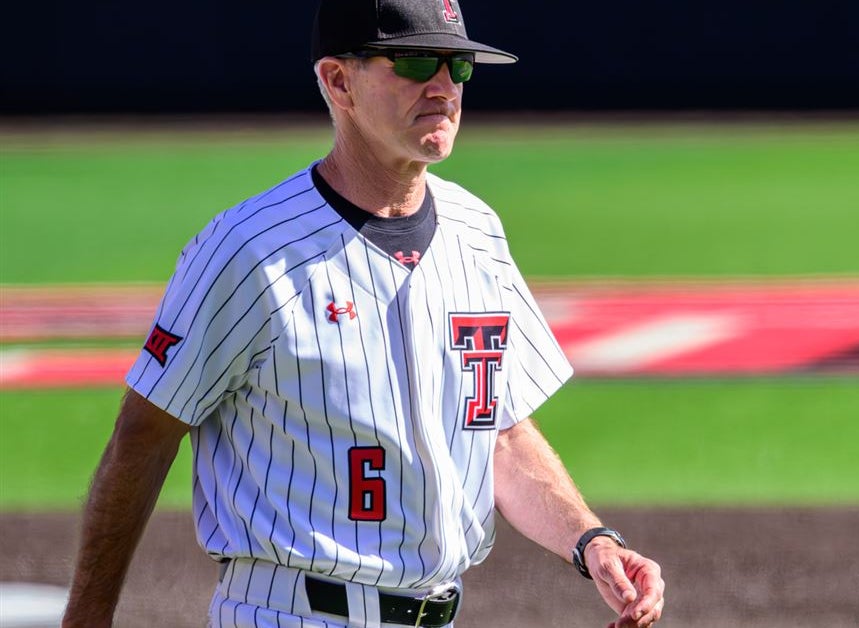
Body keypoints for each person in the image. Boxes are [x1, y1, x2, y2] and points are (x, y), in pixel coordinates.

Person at [61, 0, 665, 626]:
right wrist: (87, 618)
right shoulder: (251, 249)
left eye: (457, 67)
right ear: (338, 81)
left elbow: (502, 435)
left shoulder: (477, 232)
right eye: (415, 61)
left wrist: (592, 540)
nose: (442, 86)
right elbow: (145, 434)